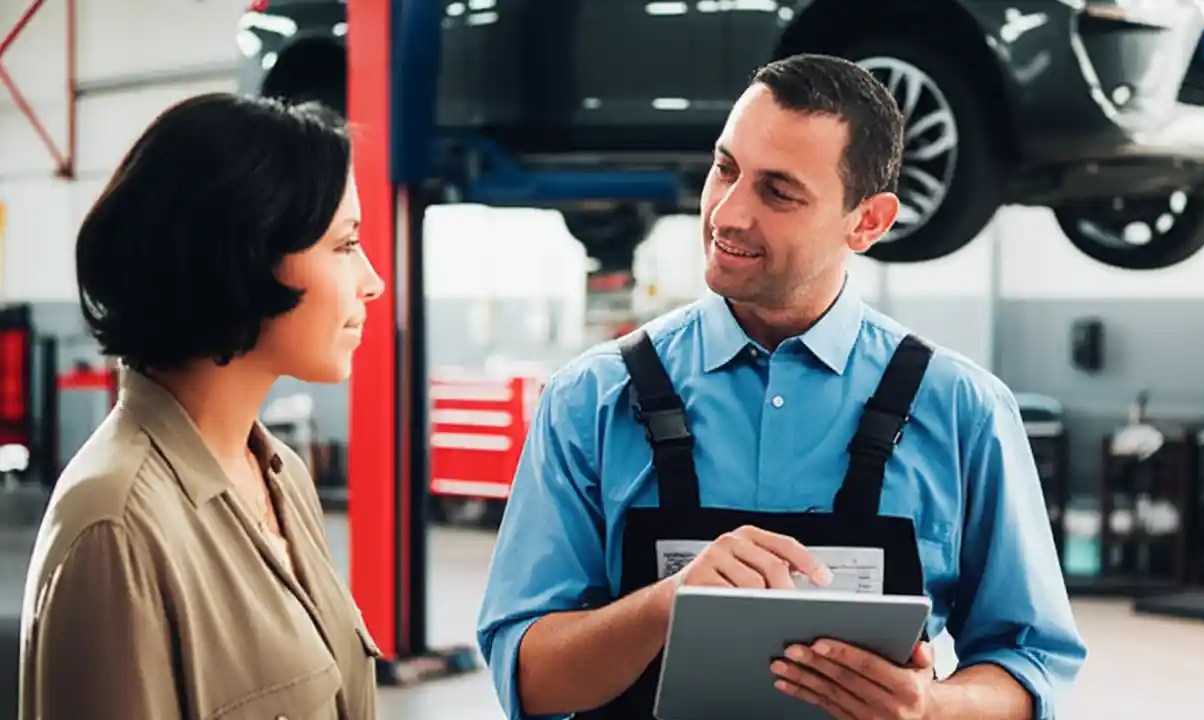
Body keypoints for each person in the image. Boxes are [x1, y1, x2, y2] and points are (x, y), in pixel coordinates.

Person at [477, 53, 1087, 720]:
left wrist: (934, 707)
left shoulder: (964, 412)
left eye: (779, 192)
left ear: (869, 222)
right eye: (725, 168)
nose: (728, 214)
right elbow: (528, 677)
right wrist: (668, 604)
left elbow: (1030, 671)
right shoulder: (591, 403)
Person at [18, 92, 386, 719]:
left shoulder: (282, 480)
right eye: (345, 245)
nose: (372, 280)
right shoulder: (116, 529)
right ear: (242, 252)